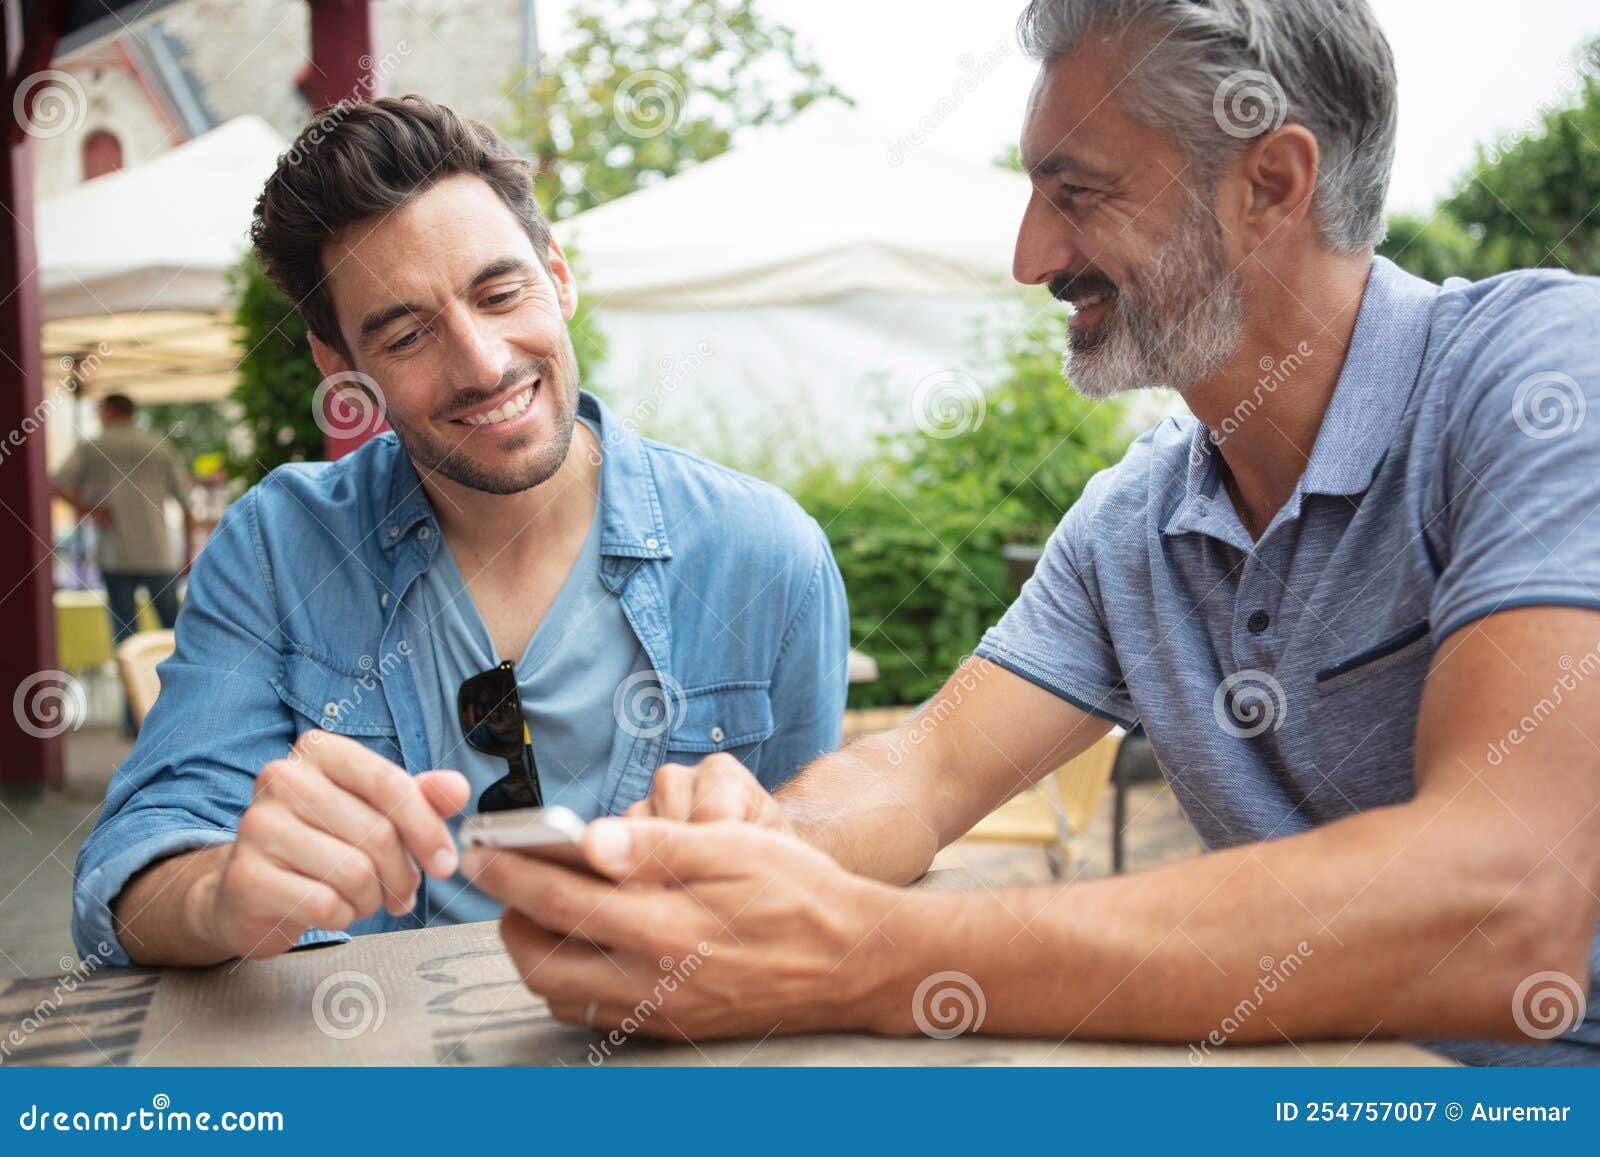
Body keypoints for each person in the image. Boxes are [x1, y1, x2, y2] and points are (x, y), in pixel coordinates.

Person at [463, 0, 1600, 1066]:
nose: (1030, 258)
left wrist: (858, 955)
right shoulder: (1138, 517)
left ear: (1270, 180)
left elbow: (1506, 904)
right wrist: (749, 847)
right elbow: (920, 773)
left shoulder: (1541, 377)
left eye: (1080, 192)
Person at [70, 97, 849, 967]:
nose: (483, 364)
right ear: (341, 365)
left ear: (558, 274)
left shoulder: (767, 553)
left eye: (500, 292)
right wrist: (218, 894)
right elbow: (130, 872)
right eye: (407, 335)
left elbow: (804, 887)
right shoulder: (278, 549)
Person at [52, 393, 195, 734]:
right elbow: (187, 503)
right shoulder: (158, 445)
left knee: (126, 638)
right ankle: (184, 711)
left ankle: (135, 719)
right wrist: (189, 552)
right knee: (175, 636)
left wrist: (90, 510)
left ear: (109, 411)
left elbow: (57, 482)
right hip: (158, 552)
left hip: (114, 554)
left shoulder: (92, 446)